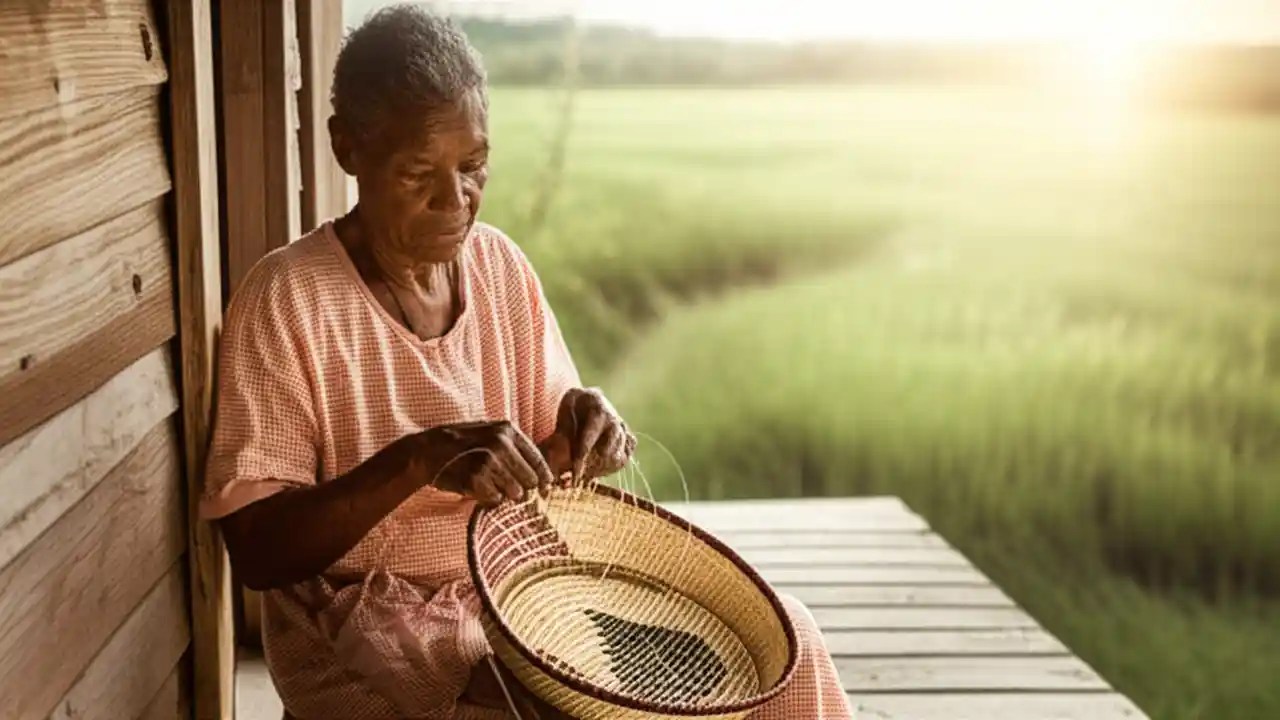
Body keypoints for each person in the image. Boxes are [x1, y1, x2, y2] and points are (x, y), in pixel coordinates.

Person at [200, 5, 853, 719]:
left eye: (474, 166)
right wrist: (419, 460)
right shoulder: (289, 298)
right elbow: (260, 550)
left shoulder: (501, 268)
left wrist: (582, 429)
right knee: (552, 705)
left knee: (784, 650)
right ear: (347, 147)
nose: (457, 201)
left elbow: (547, 453)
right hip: (370, 629)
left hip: (524, 593)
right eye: (420, 173)